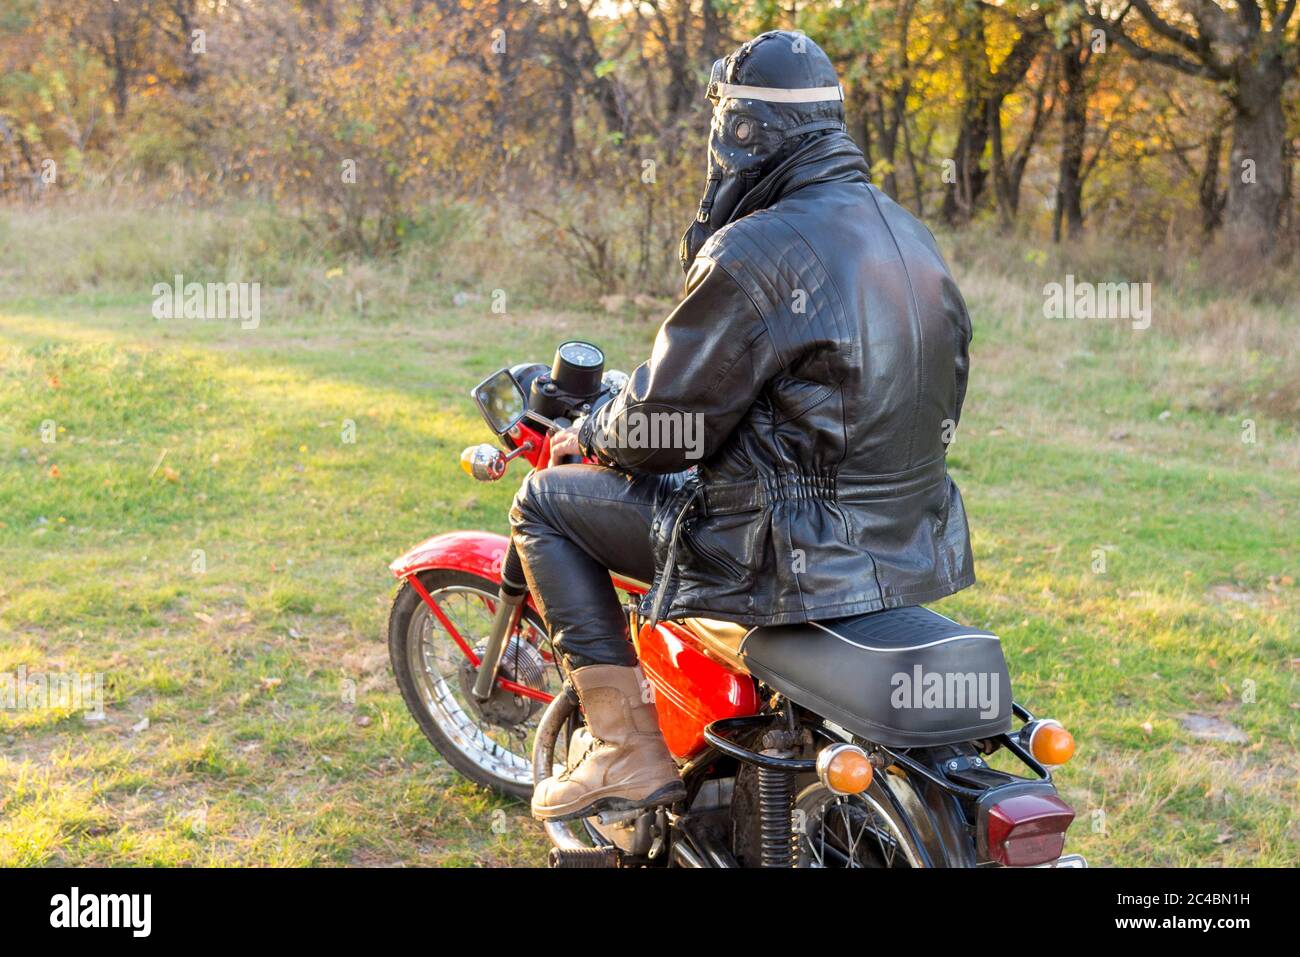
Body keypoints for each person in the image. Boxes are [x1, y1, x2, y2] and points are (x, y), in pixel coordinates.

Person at [511, 30, 975, 822]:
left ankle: (623, 748)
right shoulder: (908, 234)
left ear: (744, 131)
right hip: (906, 541)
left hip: (780, 553)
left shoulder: (755, 248)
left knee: (545, 505)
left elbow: (670, 429)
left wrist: (589, 431)